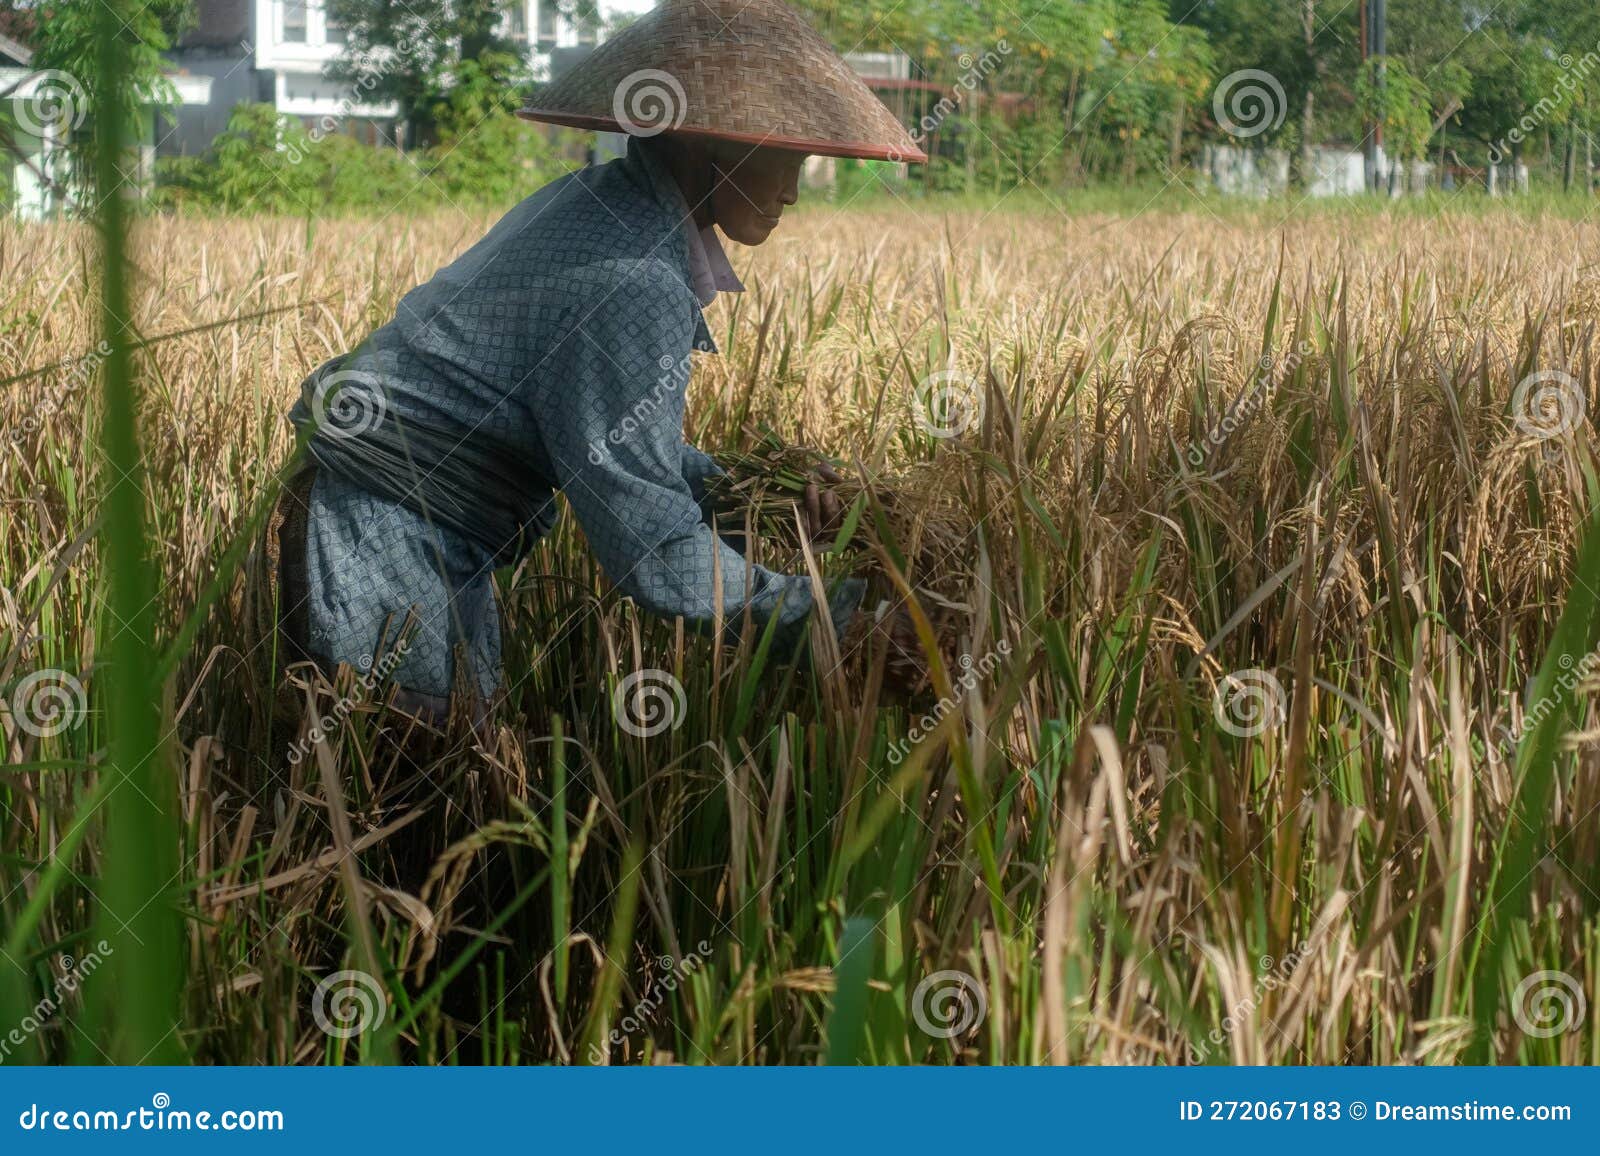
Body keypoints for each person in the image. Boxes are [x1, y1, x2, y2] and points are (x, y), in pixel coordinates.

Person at [262, 0, 930, 726]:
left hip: (408, 524)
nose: (795, 188)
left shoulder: (600, 204)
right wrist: (832, 622)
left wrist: (754, 495)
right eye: (784, 154)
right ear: (707, 143)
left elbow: (604, 442)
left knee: (445, 776)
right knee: (393, 788)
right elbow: (653, 551)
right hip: (382, 536)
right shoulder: (634, 277)